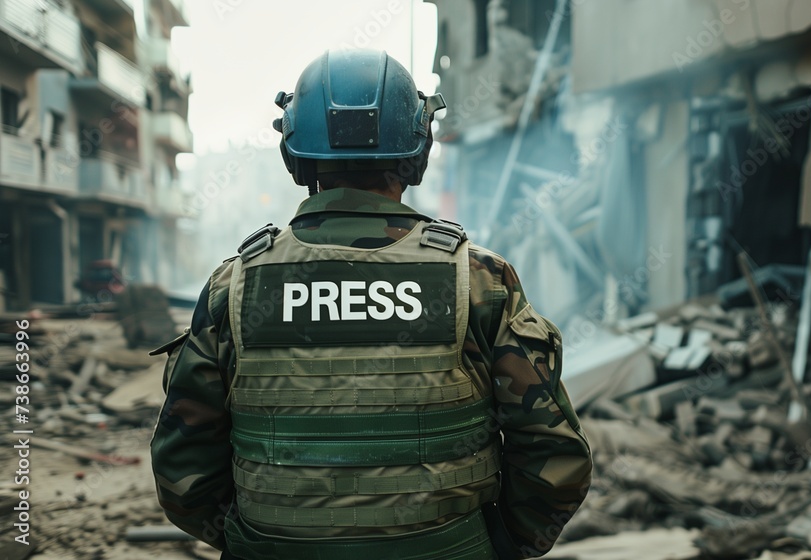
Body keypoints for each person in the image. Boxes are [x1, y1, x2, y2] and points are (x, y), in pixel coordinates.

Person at [150, 49, 592, 560]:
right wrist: (494, 543)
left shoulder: (237, 285)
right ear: (418, 150)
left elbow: (183, 470)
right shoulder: (478, 279)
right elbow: (552, 454)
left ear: (295, 155)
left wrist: (255, 541)